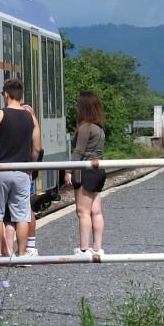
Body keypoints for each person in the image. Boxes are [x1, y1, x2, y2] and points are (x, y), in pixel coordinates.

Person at [0, 78, 40, 258]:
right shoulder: (30, 116)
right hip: (22, 171)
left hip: (0, 171)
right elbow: (36, 147)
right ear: (21, 95)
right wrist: (31, 166)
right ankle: (21, 254)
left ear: (6, 94)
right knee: (22, 216)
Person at [71, 90, 108, 260]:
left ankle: (84, 249)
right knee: (96, 212)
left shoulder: (85, 127)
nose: (76, 108)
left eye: (78, 105)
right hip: (99, 171)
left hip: (85, 171)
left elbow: (78, 151)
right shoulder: (99, 129)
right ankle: (98, 248)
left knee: (83, 211)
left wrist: (68, 171)